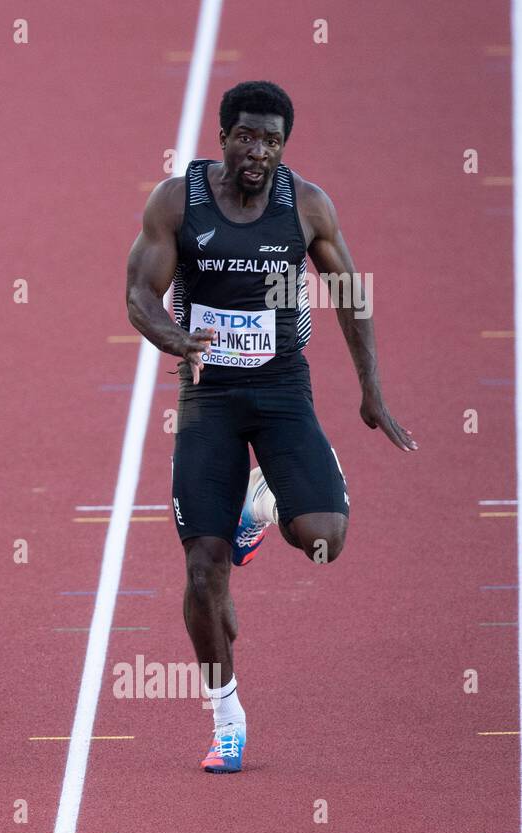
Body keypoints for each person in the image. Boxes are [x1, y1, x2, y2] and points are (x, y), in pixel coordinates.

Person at [125, 81, 416, 773]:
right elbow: (139, 291)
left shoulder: (305, 206)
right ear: (223, 137)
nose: (258, 151)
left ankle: (267, 502)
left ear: (284, 147)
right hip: (208, 397)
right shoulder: (179, 202)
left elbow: (349, 294)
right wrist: (172, 336)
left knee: (323, 540)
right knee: (203, 572)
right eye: (247, 137)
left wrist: (371, 390)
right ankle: (226, 715)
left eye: (272, 141)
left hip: (282, 388)